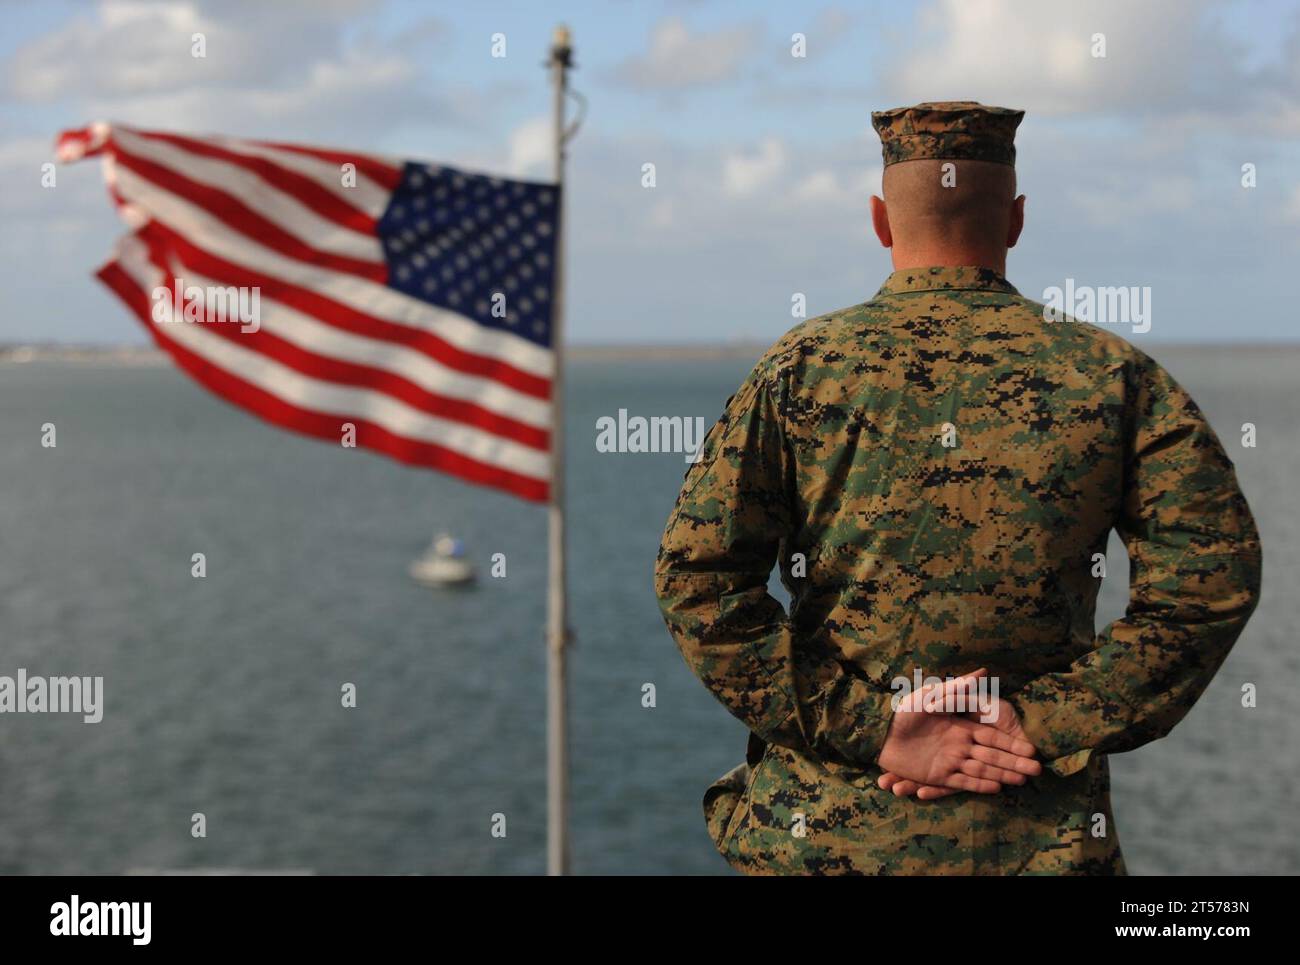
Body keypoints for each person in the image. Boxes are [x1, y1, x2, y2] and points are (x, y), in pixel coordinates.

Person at [653, 101, 1262, 875]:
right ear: (1015, 219)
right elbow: (1210, 581)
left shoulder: (798, 370)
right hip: (1034, 849)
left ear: (880, 219)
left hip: (822, 846)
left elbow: (698, 579)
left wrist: (879, 727)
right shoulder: (1113, 377)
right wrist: (1035, 723)